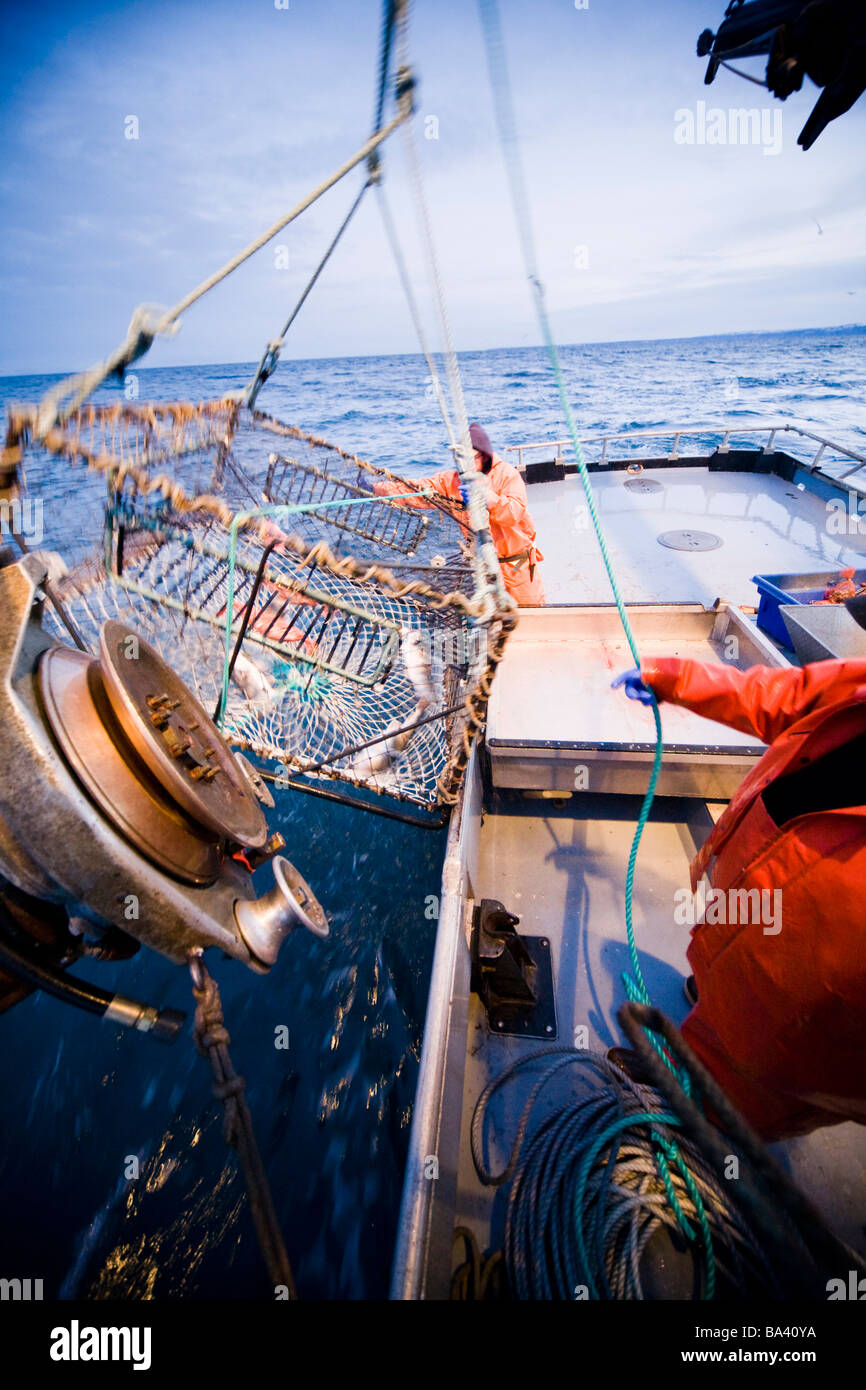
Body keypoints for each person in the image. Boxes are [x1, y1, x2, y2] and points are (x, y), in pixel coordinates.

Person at [610, 593, 866, 1142]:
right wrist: (675, 679)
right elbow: (786, 698)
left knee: (738, 1085)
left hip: (807, 1016)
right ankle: (708, 1013)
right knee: (719, 989)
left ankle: (685, 1127)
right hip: (747, 910)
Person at [377, 422, 545, 606]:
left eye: (467, 458)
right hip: (482, 570)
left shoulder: (507, 475)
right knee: (489, 623)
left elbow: (514, 513)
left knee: (531, 615)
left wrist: (489, 499)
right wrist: (375, 489)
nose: (462, 464)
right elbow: (416, 490)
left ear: (483, 455)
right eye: (459, 459)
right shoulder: (451, 480)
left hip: (515, 568)